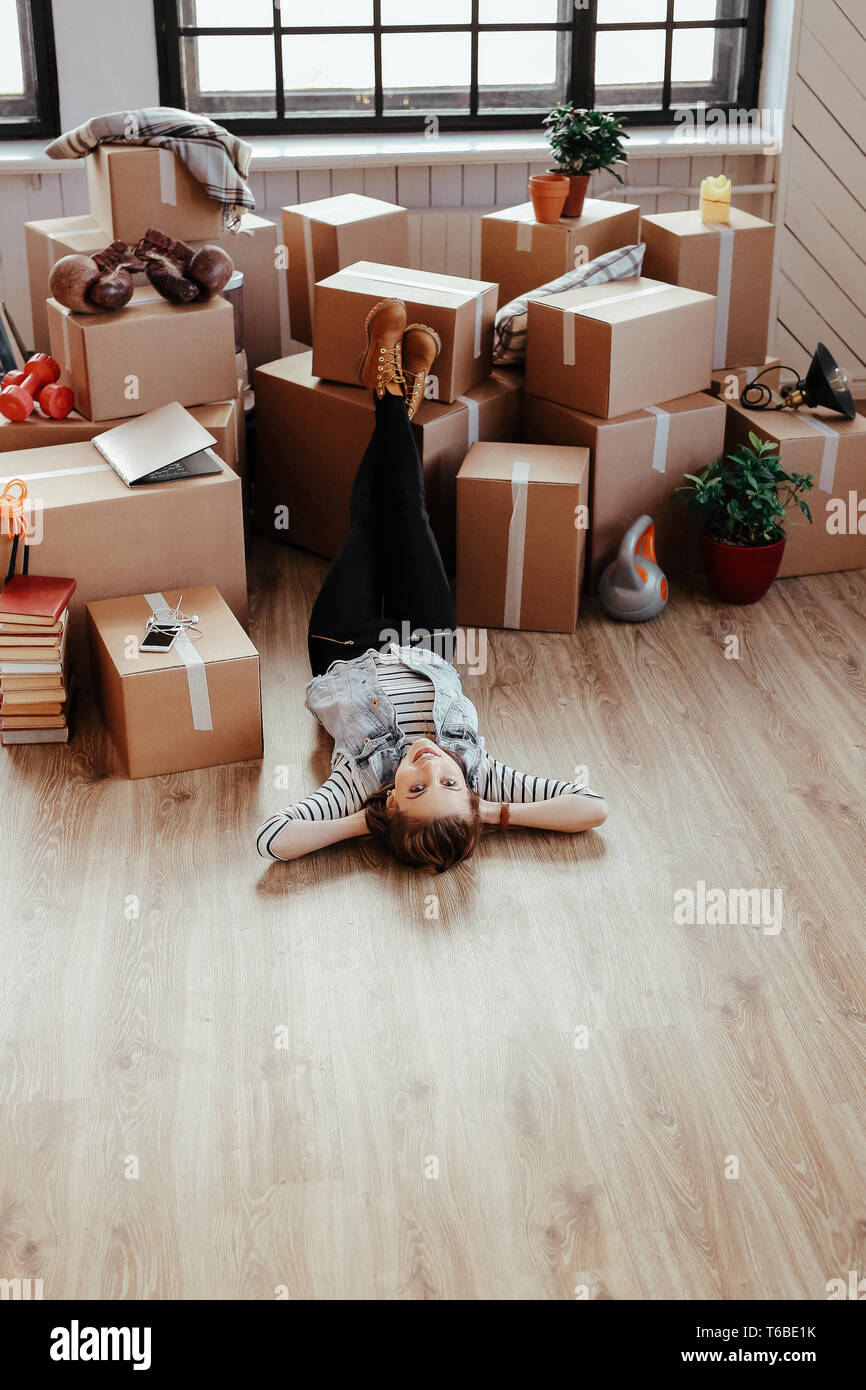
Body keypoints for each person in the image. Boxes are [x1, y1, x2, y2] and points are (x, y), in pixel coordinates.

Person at [256, 298, 607, 872]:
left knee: (371, 523)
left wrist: (368, 821)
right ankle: (391, 395)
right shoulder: (478, 770)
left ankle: (392, 394)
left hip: (344, 649)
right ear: (467, 787)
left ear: (391, 802)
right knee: (408, 511)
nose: (428, 766)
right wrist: (490, 811)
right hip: (426, 644)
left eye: (416, 789)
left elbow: (275, 840)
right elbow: (593, 808)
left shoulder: (360, 784)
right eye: (447, 780)